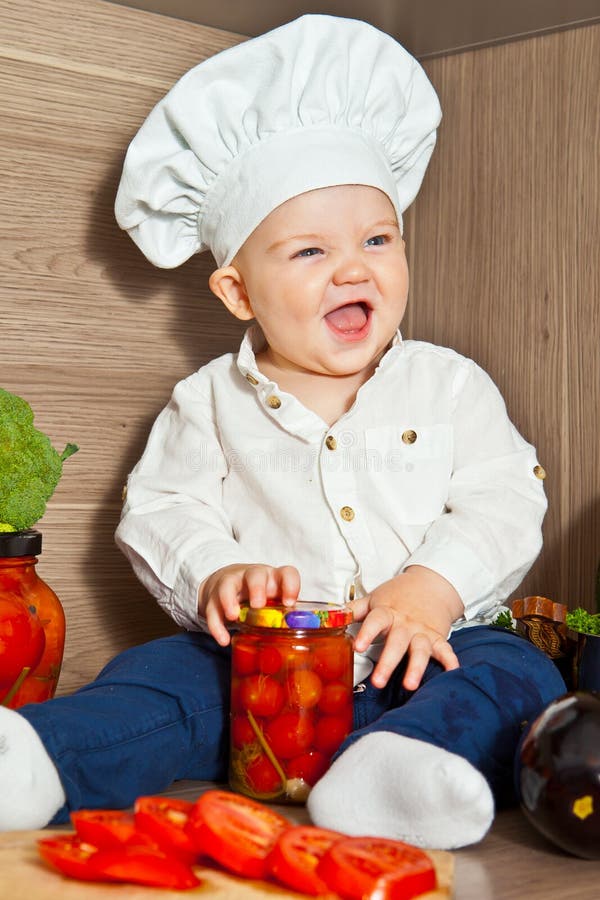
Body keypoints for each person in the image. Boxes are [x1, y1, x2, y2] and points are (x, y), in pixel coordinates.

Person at [0, 15, 565, 848]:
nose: (353, 267)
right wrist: (216, 572)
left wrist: (432, 588)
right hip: (261, 671)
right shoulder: (208, 401)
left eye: (378, 239)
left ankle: (405, 769)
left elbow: (504, 498)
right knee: (158, 677)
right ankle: (39, 759)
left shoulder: (449, 384)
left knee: (516, 670)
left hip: (431, 652)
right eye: (309, 252)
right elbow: (163, 510)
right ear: (238, 292)